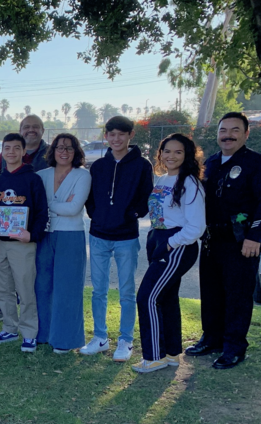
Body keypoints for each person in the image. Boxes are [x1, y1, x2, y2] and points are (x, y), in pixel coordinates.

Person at [186, 112, 261, 369]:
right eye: (223, 130)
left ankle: (234, 347)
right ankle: (211, 339)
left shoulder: (258, 164)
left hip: (241, 241)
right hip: (212, 239)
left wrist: (255, 236)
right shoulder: (210, 163)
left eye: (235, 130)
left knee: (237, 296)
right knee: (211, 292)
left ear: (246, 134)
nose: (228, 135)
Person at [81, 116, 153, 361]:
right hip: (99, 235)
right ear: (106, 136)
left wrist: (131, 213)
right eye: (111, 134)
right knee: (98, 291)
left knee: (126, 291)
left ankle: (126, 340)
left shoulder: (142, 165)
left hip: (126, 237)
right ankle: (100, 337)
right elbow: (90, 198)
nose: (116, 138)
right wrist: (97, 214)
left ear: (130, 135)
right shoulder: (99, 166)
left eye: (121, 134)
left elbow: (145, 197)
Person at [132, 134, 206, 373]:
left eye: (178, 152)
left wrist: (170, 244)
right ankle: (171, 354)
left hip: (176, 246)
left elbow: (196, 227)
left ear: (187, 156)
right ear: (160, 153)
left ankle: (154, 356)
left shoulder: (190, 183)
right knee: (166, 297)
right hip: (160, 239)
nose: (171, 156)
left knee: (147, 297)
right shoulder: (163, 179)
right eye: (167, 151)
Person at [0, 133, 49, 352]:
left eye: (15, 148)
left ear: (23, 152)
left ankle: (29, 332)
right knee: (3, 288)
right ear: (2, 151)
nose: (11, 152)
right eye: (7, 148)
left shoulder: (33, 179)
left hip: (22, 243)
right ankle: (9, 328)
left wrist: (32, 235)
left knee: (25, 289)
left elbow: (42, 212)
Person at [34, 134, 91, 353]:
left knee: (67, 288)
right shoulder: (41, 175)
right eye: (59, 148)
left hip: (71, 235)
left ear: (76, 151)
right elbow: (49, 207)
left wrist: (47, 206)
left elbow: (74, 209)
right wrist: (58, 205)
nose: (64, 152)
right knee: (42, 285)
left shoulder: (83, 175)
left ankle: (65, 340)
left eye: (69, 148)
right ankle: (43, 333)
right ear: (52, 151)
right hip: (44, 235)